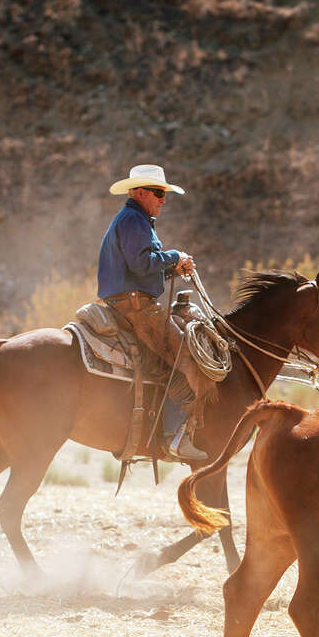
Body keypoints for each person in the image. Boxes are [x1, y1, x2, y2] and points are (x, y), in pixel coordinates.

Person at [96, 164, 215, 462]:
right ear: (139, 192)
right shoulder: (134, 219)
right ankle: (175, 437)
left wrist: (173, 267)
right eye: (158, 193)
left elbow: (141, 268)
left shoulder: (134, 219)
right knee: (187, 356)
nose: (163, 200)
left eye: (164, 194)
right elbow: (141, 264)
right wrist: (174, 257)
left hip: (129, 300)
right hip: (137, 306)